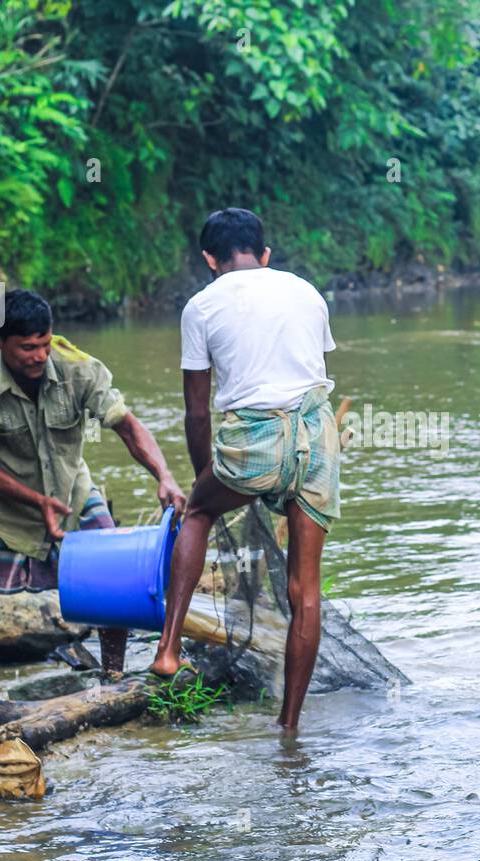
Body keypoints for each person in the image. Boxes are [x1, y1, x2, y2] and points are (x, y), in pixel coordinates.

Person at [149, 208, 340, 733]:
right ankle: (290, 726)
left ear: (210, 260)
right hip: (315, 436)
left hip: (253, 440)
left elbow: (196, 409)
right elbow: (312, 372)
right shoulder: (306, 292)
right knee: (305, 591)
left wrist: (202, 478)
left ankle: (167, 650)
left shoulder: (201, 305)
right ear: (266, 255)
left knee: (197, 515)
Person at [0, 289, 184, 683]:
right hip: (6, 510)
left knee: (115, 589)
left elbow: (128, 427)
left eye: (44, 344)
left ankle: (113, 677)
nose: (39, 356)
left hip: (74, 493)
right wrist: (38, 502)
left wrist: (165, 476)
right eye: (27, 348)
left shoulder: (79, 370)